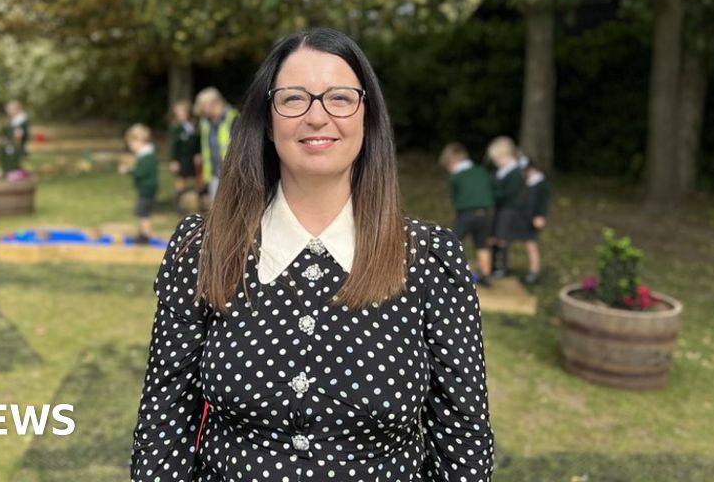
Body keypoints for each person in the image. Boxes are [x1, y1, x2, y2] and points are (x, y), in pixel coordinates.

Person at [131, 28, 494, 480]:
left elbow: (464, 442)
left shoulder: (430, 258)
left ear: (367, 117)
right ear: (268, 120)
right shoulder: (203, 248)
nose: (317, 117)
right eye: (294, 99)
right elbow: (163, 427)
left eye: (339, 98)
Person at [439, 142, 494, 286]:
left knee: (453, 243)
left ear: (452, 162)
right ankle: (486, 275)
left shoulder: (456, 177)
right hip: (484, 214)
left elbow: (456, 196)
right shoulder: (481, 171)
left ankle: (451, 273)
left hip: (466, 214)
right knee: (482, 244)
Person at [195, 87, 239, 203]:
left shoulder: (232, 118)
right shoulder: (205, 122)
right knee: (216, 206)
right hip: (214, 173)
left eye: (205, 105)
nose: (203, 109)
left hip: (232, 173)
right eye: (202, 105)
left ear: (216, 103)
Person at [487, 136, 523, 279]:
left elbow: (509, 193)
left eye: (497, 158)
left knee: (502, 238)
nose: (495, 161)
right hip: (500, 208)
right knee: (495, 237)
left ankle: (503, 267)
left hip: (509, 209)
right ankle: (493, 266)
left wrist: (491, 195)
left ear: (506, 155)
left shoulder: (515, 173)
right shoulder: (501, 171)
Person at [120, 124, 159, 244]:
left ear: (139, 141)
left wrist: (128, 170)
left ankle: (145, 235)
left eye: (132, 143)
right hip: (146, 188)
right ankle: (143, 233)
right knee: (143, 212)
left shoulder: (147, 156)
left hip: (147, 189)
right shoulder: (144, 155)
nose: (131, 146)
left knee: (143, 212)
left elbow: (141, 172)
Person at [515, 158, 551, 285]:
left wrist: (541, 215)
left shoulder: (541, 183)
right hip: (524, 217)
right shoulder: (527, 182)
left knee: (531, 244)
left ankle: (534, 271)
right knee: (527, 244)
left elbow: (544, 201)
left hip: (533, 218)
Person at [167, 100, 199, 213]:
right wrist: (173, 160)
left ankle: (197, 203)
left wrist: (198, 153)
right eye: (178, 113)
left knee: (197, 180)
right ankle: (178, 204)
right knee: (181, 181)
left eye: (182, 112)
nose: (180, 115)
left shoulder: (193, 125)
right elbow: (173, 145)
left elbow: (197, 141)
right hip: (181, 158)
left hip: (192, 157)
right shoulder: (175, 128)